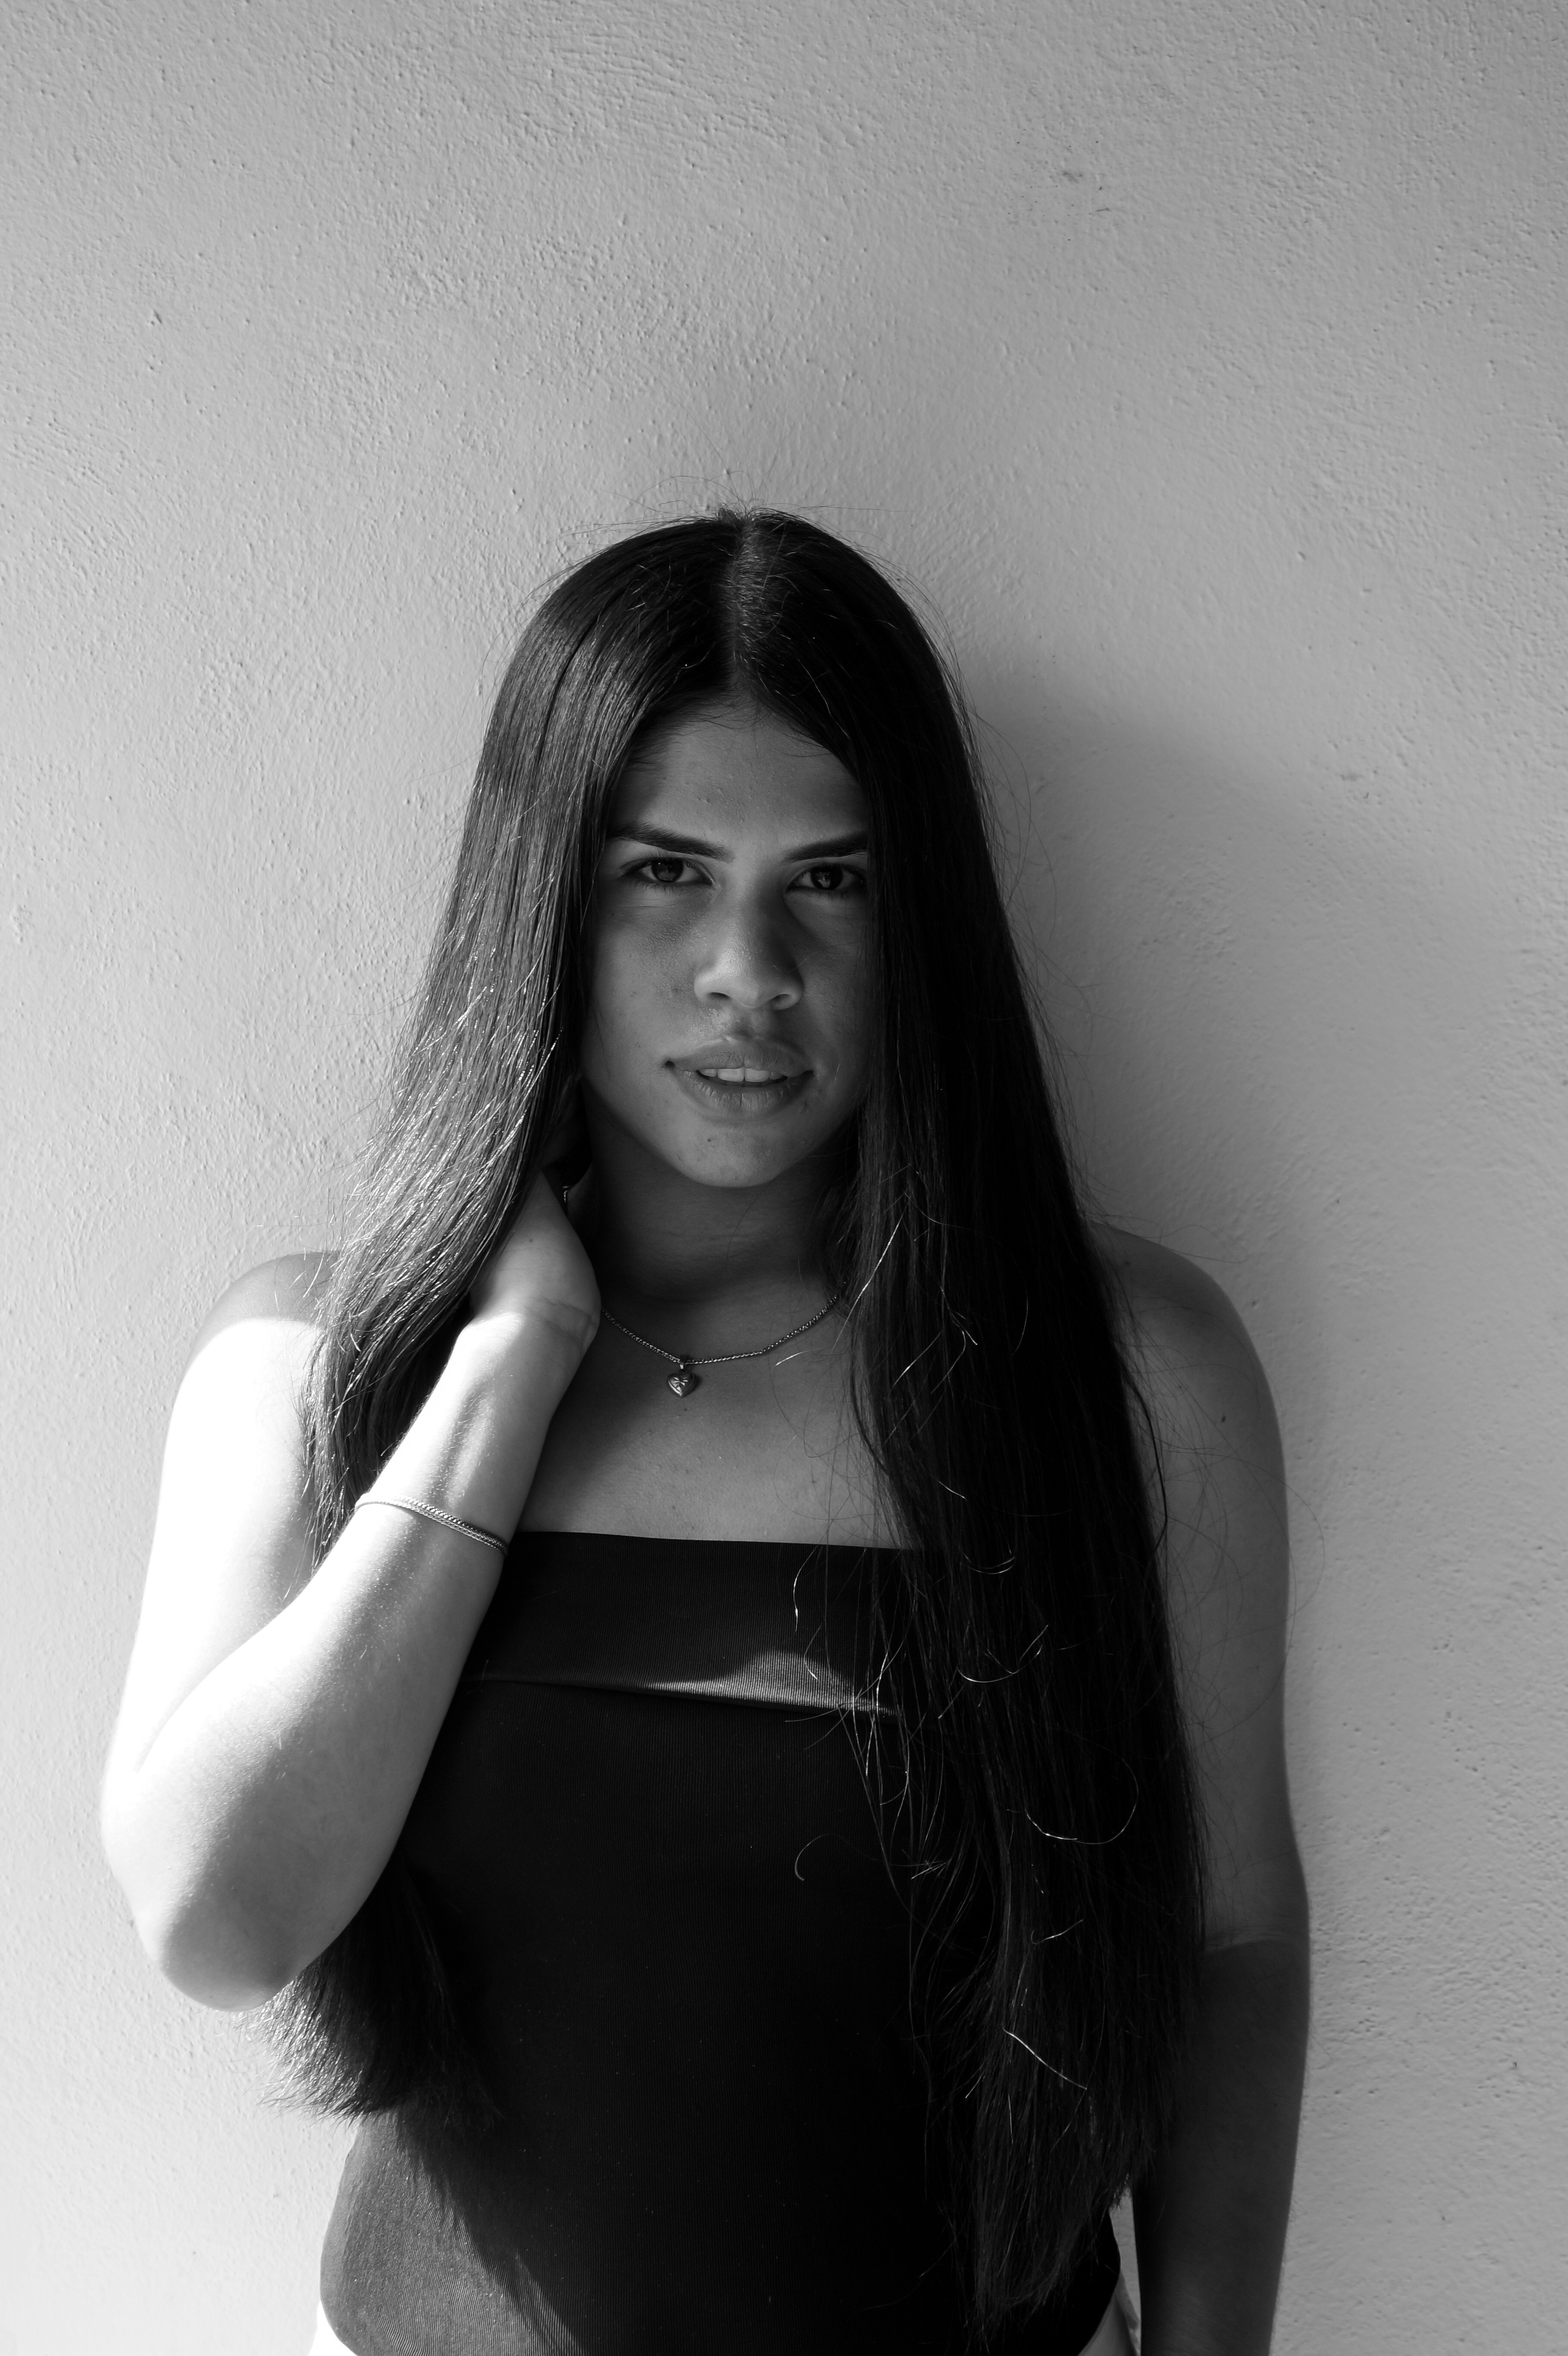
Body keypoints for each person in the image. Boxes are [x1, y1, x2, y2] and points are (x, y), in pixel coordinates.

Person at [100, 511, 1309, 2356]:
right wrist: (512, 1357)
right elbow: (217, 1918)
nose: (749, 967)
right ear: (546, 902)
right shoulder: (305, 1365)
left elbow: (1223, 1940)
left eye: (829, 879)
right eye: (664, 868)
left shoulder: (1127, 1365)